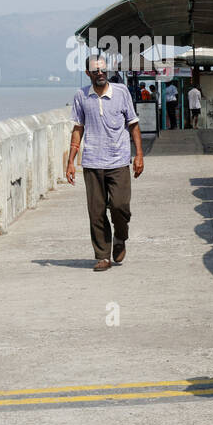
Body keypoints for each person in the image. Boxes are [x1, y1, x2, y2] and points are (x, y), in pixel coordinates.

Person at [66, 55, 144, 271]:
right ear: (88, 73)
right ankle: (102, 255)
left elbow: (133, 124)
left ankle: (120, 236)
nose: (100, 73)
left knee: (120, 206)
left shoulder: (121, 92)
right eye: (95, 70)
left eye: (102, 69)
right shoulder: (81, 96)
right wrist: (71, 161)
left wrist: (139, 155)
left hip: (118, 161)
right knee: (96, 211)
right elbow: (78, 128)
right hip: (92, 162)